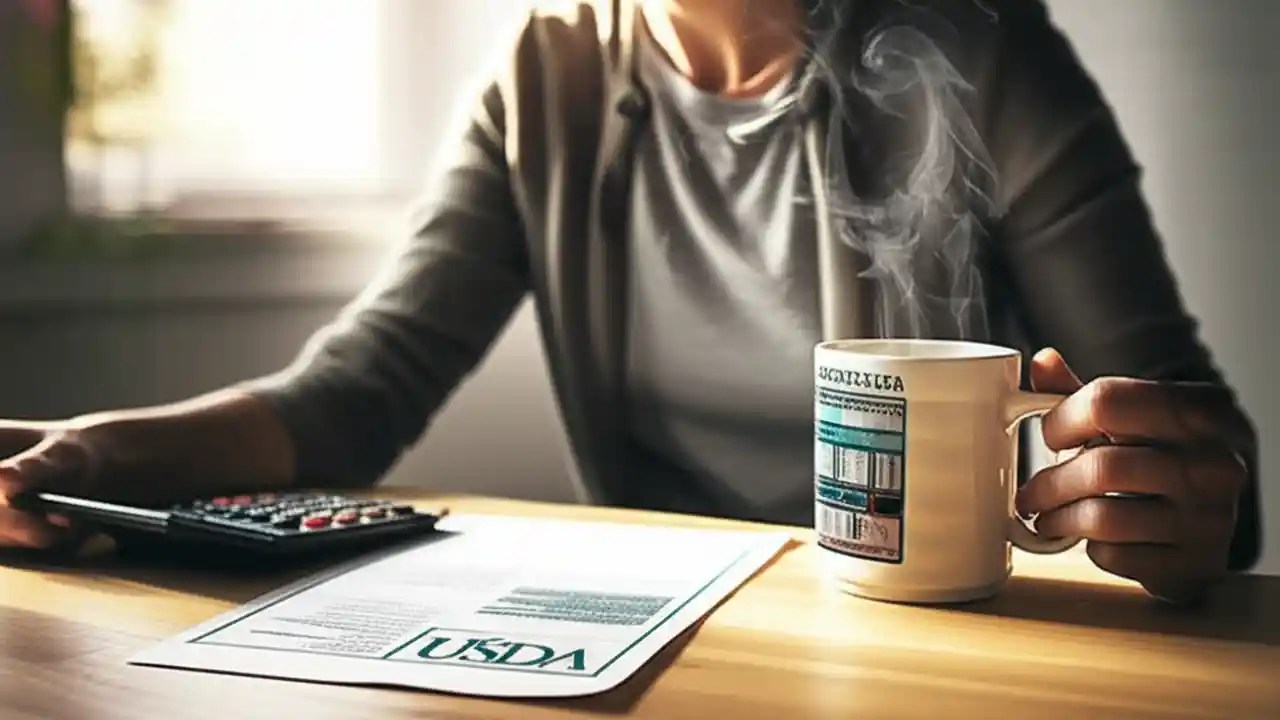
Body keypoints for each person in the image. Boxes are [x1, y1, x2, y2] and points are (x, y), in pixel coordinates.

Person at [0, 0, 1259, 602]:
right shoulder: (542, 72)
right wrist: (91, 454)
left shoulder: (980, 50)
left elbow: (1197, 444)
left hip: (940, 638)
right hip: (673, 631)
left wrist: (1182, 494)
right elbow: (355, 391)